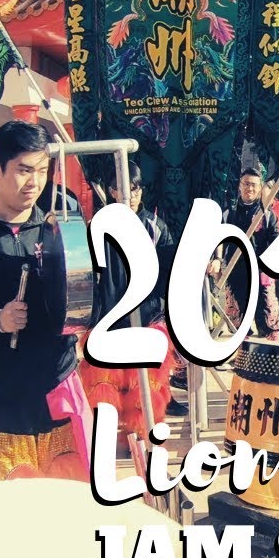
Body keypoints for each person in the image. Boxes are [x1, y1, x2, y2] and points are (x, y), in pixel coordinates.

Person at [0, 120, 92, 481]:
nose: (34, 182)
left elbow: (87, 306)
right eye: (24, 170)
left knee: (65, 517)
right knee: (5, 524)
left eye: (42, 170)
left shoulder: (61, 234)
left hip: (57, 398)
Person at [79, 161, 185, 432]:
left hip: (147, 315)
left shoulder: (154, 226)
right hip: (110, 316)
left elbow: (170, 272)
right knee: (107, 386)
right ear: (112, 191)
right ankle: (106, 439)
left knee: (145, 389)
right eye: (125, 189)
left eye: (136, 189)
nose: (132, 195)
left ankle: (143, 436)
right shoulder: (96, 228)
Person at [218, 166, 279, 341]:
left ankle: (271, 354)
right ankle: (241, 353)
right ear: (240, 185)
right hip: (236, 269)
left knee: (268, 320)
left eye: (254, 184)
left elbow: (276, 243)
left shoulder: (268, 215)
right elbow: (219, 240)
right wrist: (217, 261)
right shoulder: (228, 213)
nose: (250, 188)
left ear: (260, 187)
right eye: (246, 184)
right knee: (239, 322)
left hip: (261, 271)